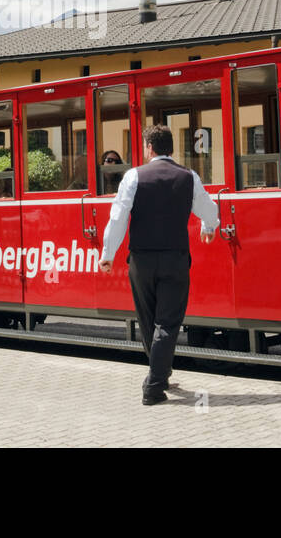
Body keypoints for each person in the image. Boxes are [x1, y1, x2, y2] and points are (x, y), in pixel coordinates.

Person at [98, 125, 218, 405]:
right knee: (168, 322)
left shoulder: (133, 176)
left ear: (149, 148)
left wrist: (107, 253)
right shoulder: (189, 176)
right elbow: (208, 208)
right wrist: (209, 226)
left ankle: (156, 380)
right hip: (175, 259)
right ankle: (157, 380)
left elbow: (118, 217)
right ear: (171, 149)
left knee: (148, 321)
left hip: (141, 259)